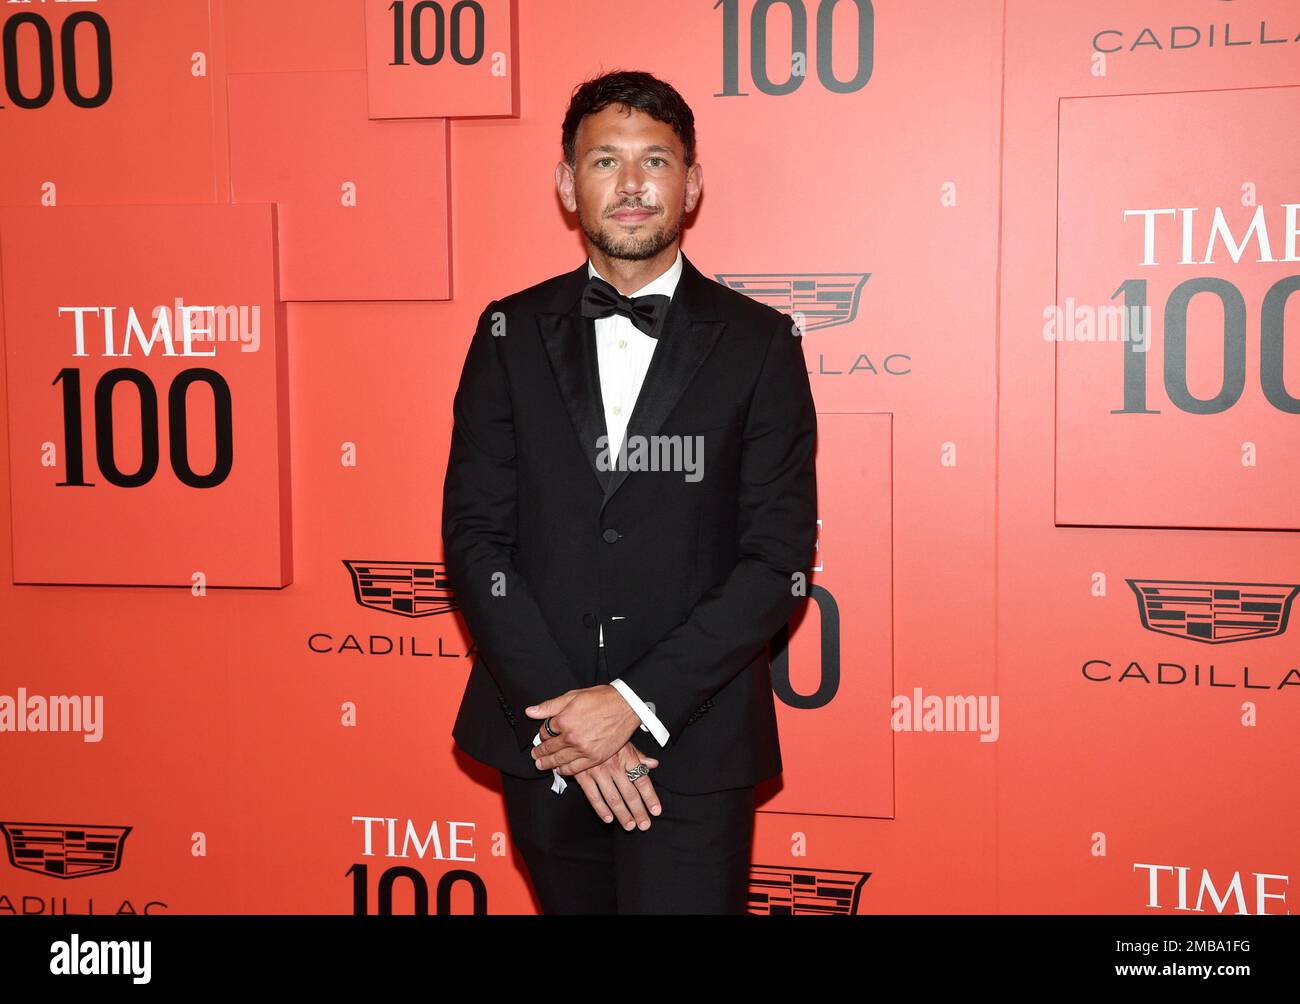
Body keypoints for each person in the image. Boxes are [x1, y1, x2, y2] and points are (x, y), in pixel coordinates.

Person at [442, 69, 818, 914]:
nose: (634, 183)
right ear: (567, 186)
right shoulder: (507, 331)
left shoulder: (761, 344)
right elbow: (473, 538)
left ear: (692, 185)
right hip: (544, 739)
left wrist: (633, 706)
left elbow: (775, 558)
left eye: (657, 159)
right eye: (604, 160)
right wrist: (574, 722)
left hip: (697, 739)